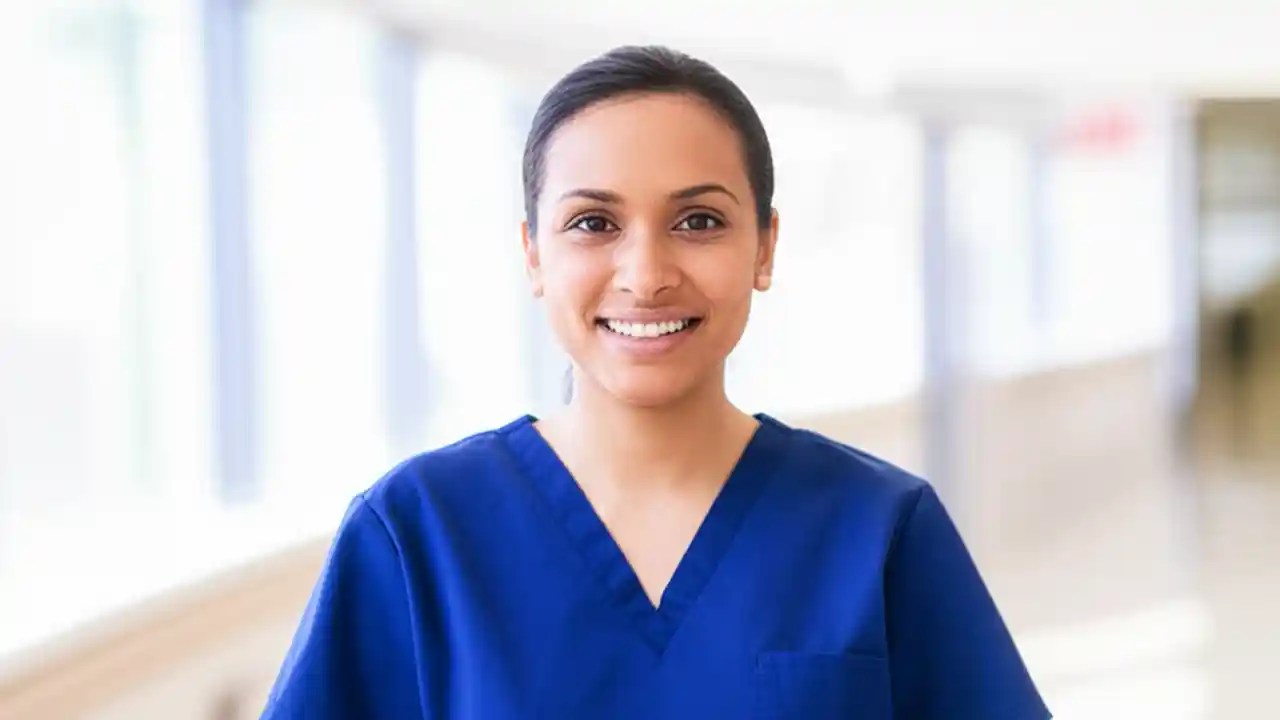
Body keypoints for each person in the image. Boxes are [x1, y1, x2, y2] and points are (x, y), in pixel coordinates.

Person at [261, 45, 1050, 719]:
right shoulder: (418, 534)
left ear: (764, 247)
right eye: (593, 224)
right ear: (533, 254)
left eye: (698, 221)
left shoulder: (877, 530)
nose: (645, 275)